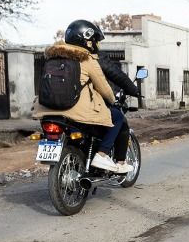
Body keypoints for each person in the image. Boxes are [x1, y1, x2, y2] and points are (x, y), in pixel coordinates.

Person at [33, 19, 132, 174]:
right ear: (86, 40)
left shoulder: (52, 58)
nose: (94, 45)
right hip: (76, 110)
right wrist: (113, 101)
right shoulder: (86, 59)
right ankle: (102, 154)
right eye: (93, 41)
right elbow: (104, 87)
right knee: (117, 117)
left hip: (47, 110)